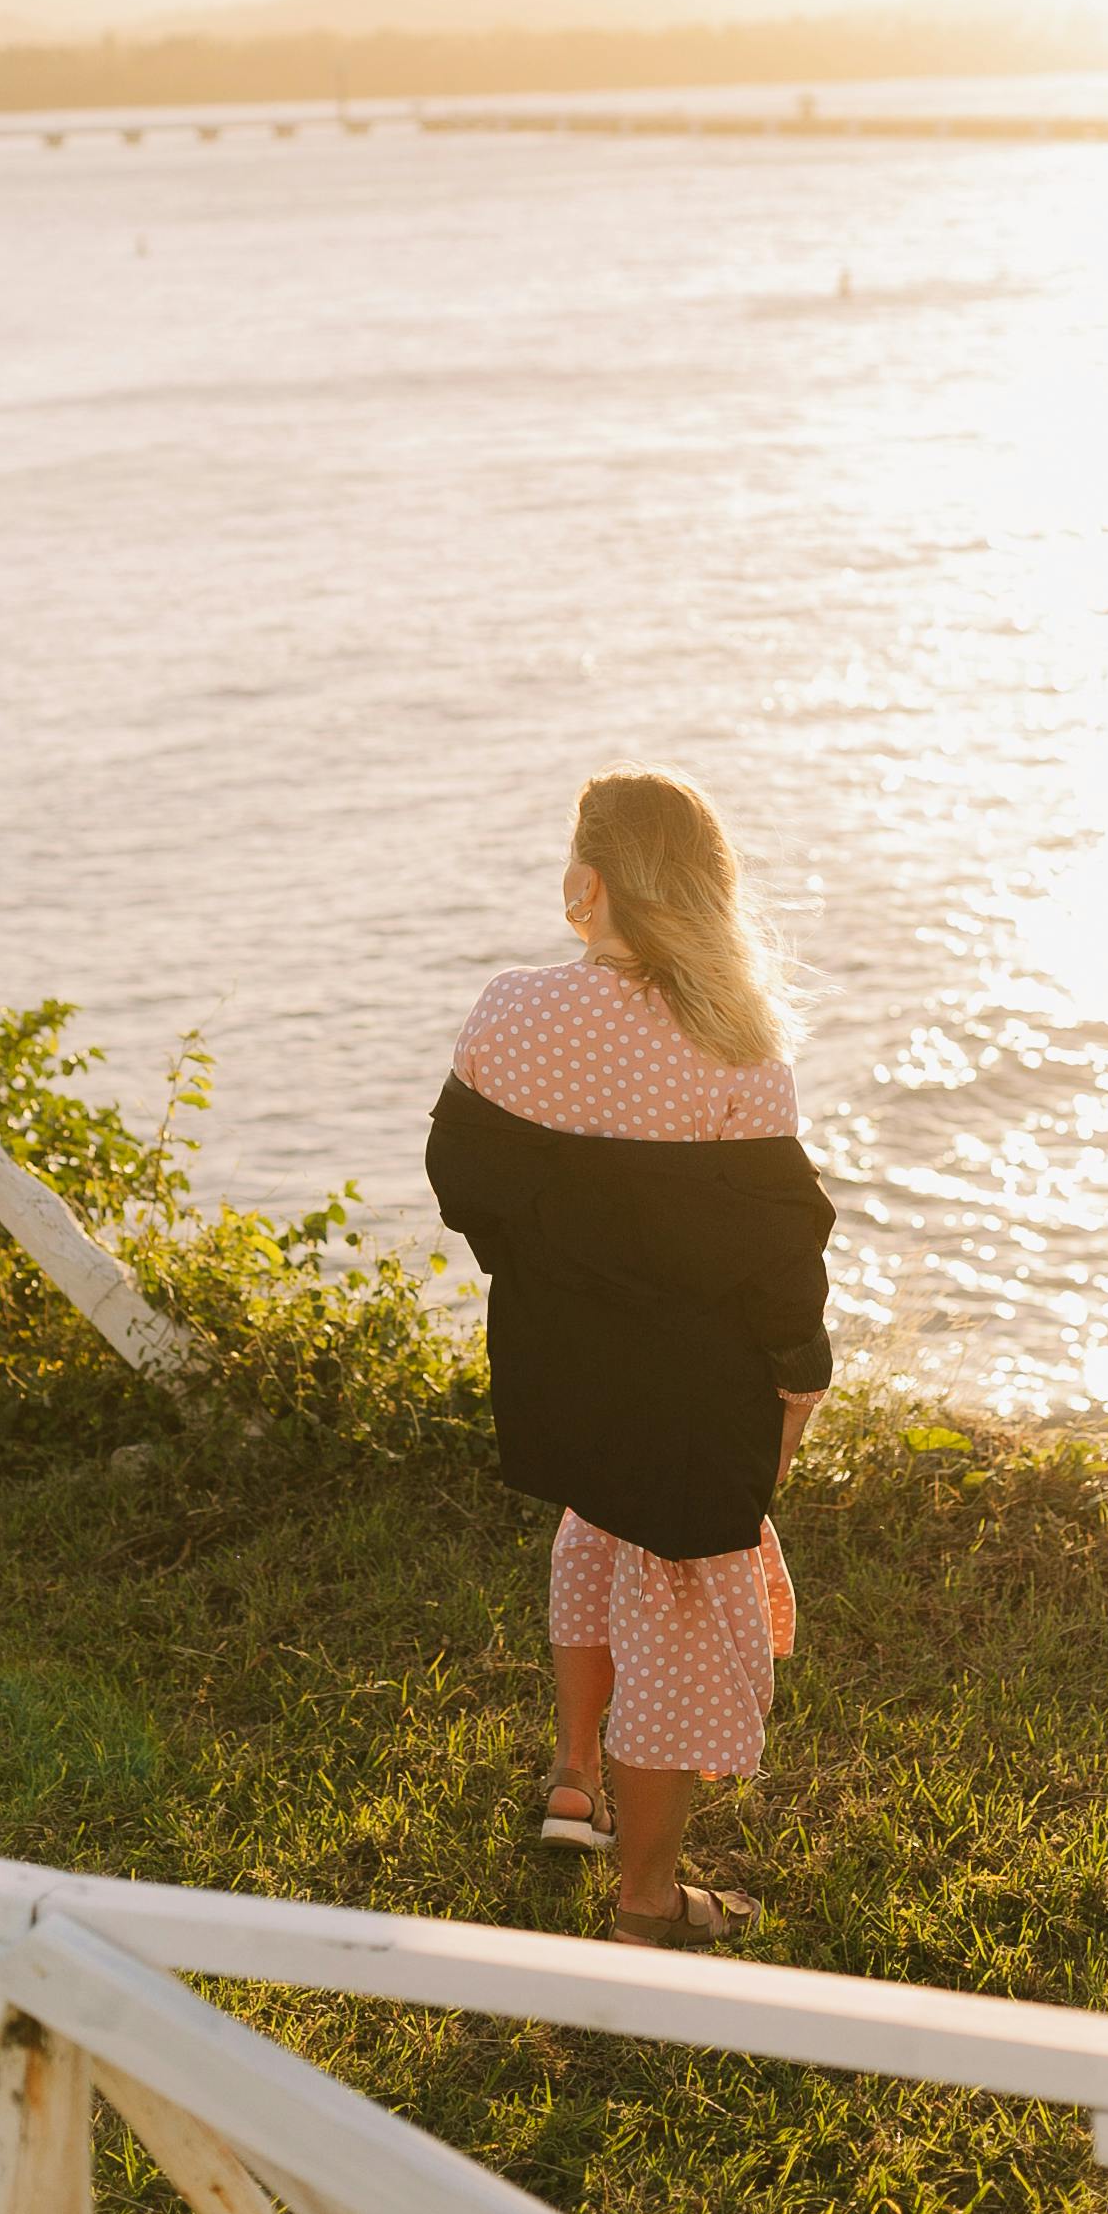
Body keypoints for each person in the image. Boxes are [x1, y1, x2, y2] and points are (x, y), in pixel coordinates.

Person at [426, 768, 834, 1950]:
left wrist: (564, 1273)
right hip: (687, 1393)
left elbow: (464, 1191)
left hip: (560, 1366)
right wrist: (799, 1372)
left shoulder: (507, 1013)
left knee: (592, 1531)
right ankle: (649, 1904)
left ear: (584, 889)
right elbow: (776, 1255)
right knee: (685, 1609)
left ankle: (573, 1780)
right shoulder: (736, 1049)